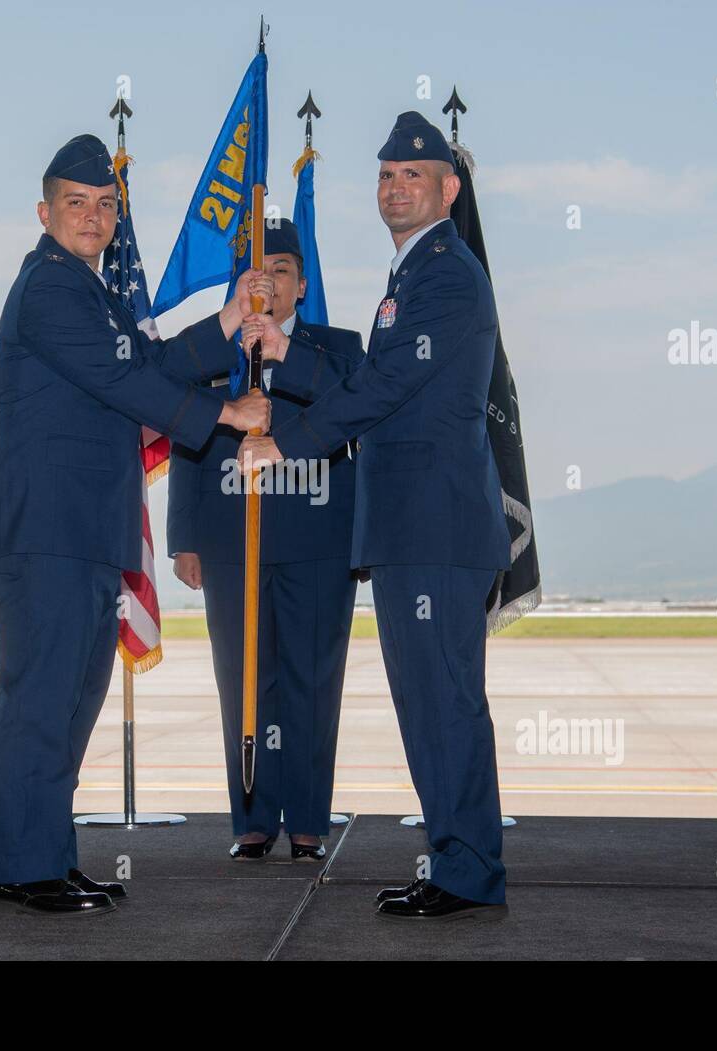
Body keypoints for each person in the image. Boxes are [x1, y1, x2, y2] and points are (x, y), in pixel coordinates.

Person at [0, 133, 272, 915]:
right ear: (45, 212)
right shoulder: (49, 288)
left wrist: (228, 321)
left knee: (69, 706)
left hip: (85, 533)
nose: (94, 217)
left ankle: (44, 857)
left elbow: (144, 360)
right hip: (47, 533)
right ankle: (24, 865)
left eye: (105, 205)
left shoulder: (92, 294)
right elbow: (117, 376)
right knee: (40, 703)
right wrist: (225, 410)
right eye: (77, 203)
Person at [239, 112, 513, 921]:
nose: (396, 186)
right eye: (388, 174)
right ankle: (459, 861)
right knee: (429, 704)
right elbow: (380, 376)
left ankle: (467, 870)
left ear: (448, 189)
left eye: (414, 176)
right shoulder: (414, 272)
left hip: (434, 527)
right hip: (410, 530)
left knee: (444, 702)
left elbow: (384, 390)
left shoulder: (445, 274)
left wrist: (282, 443)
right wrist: (290, 356)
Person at [168, 219, 363, 862]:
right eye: (257, 271)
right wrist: (183, 538)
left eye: (282, 270)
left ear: (302, 285)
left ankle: (307, 819)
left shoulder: (339, 350)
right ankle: (253, 818)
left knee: (312, 680)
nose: (270, 282)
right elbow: (189, 442)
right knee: (244, 680)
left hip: (317, 537)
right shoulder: (212, 353)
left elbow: (356, 419)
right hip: (230, 540)